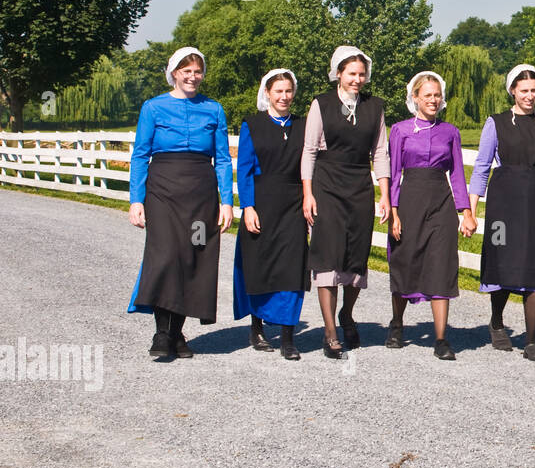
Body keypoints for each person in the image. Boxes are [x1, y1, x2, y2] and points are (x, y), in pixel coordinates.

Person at [127, 47, 234, 358]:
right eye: (186, 70)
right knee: (165, 256)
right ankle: (162, 334)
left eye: (197, 70)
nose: (192, 76)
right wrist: (137, 199)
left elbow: (224, 160)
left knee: (193, 255)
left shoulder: (213, 109)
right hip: (162, 193)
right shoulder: (153, 107)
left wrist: (226, 202)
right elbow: (139, 155)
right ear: (174, 73)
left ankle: (176, 333)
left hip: (201, 197)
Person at [468, 64, 535, 362]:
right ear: (512, 91)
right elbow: (482, 168)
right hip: (503, 204)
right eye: (524, 90)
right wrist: (470, 210)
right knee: (502, 261)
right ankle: (497, 322)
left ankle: (532, 340)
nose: (530, 96)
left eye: (534, 90)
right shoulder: (496, 123)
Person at [301, 46, 390, 359]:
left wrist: (385, 194)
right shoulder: (321, 104)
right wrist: (308, 192)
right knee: (328, 255)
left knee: (355, 255)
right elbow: (309, 150)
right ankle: (329, 331)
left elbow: (380, 152)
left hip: (359, 187)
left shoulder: (375, 107)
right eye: (351, 73)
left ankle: (347, 314)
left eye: (361, 74)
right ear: (338, 74)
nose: (357, 79)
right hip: (326, 185)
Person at [387, 72, 477, 360]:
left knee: (441, 266)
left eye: (437, 95)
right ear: (415, 98)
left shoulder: (450, 132)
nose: (433, 100)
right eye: (427, 95)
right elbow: (393, 175)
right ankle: (397, 324)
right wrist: (394, 213)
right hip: (409, 201)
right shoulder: (400, 130)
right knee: (405, 261)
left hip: (440, 202)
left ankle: (441, 339)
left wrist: (466, 212)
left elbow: (458, 175)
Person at [233, 69, 310, 360]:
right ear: (267, 93)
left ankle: (288, 337)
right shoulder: (252, 125)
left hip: (294, 204)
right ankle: (257, 327)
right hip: (262, 203)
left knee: (292, 267)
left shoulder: (304, 125)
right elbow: (244, 169)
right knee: (259, 266)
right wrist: (248, 206)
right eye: (278, 91)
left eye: (289, 91)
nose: (284, 96)